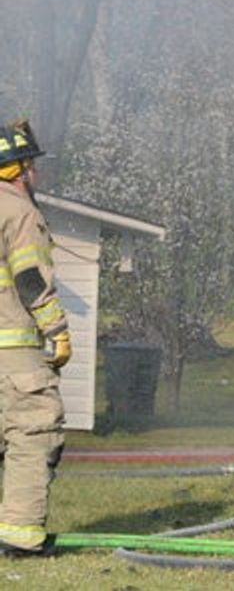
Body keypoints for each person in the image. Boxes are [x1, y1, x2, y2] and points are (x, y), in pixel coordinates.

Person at [0, 120, 70, 556]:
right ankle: (20, 537)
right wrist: (57, 331)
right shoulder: (18, 211)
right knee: (32, 431)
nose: (36, 176)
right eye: (33, 167)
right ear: (18, 169)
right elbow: (29, 278)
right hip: (11, 352)